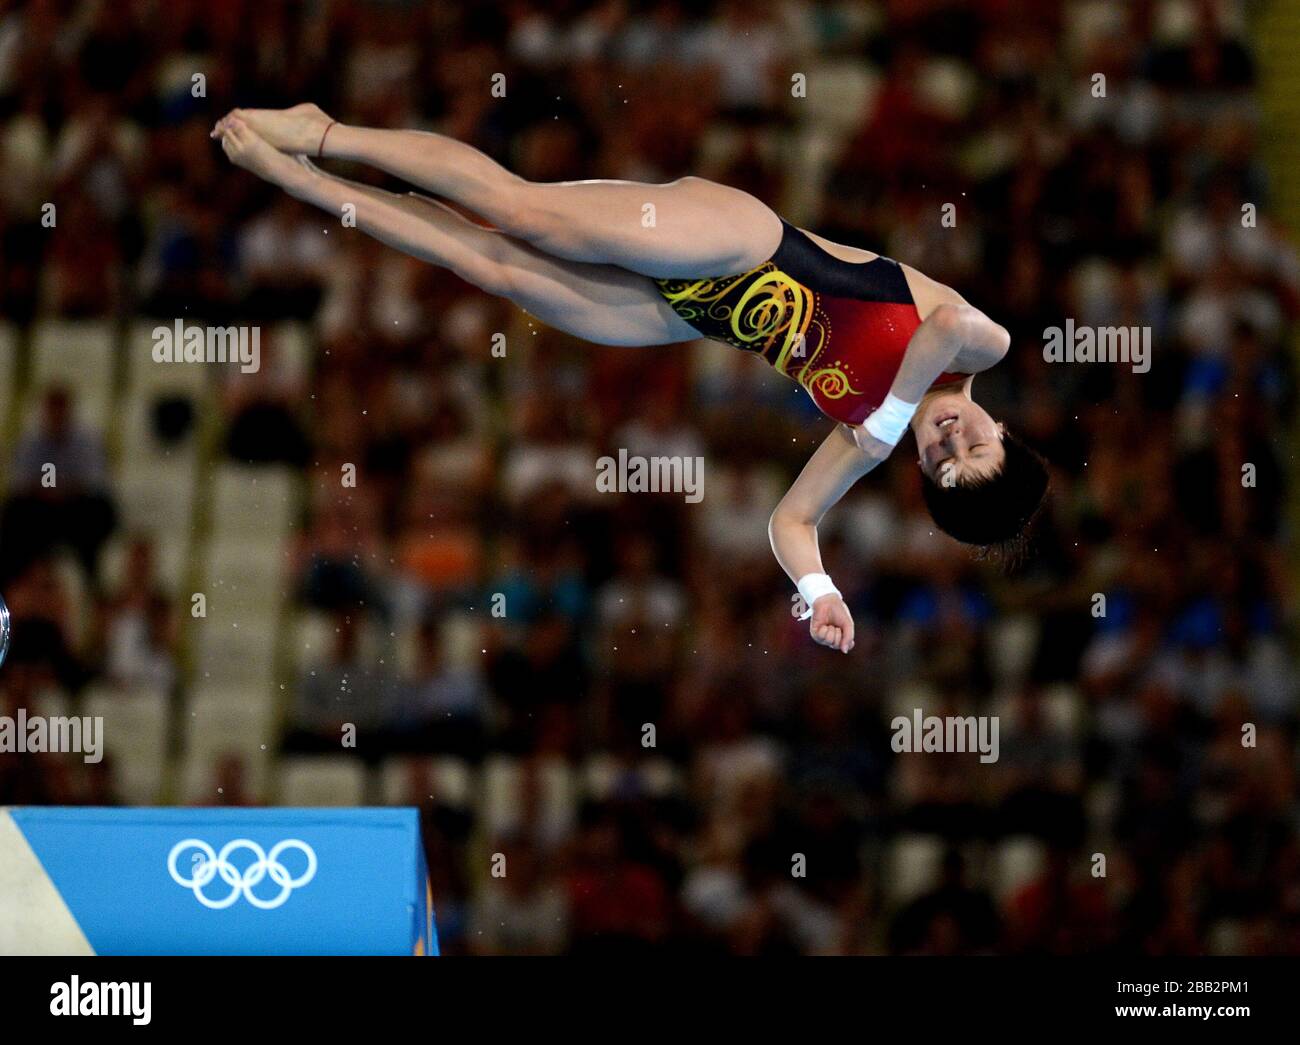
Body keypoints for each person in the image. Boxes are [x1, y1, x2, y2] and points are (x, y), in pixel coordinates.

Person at [212, 105, 1048, 654]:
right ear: (999, 427)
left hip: (691, 315)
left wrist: (818, 592)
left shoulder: (870, 439)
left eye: (943, 465)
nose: (947, 441)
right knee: (520, 210)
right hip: (740, 242)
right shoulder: (982, 354)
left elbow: (790, 520)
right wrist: (896, 413)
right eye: (971, 442)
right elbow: (943, 327)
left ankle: (302, 181)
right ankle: (324, 133)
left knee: (493, 266)